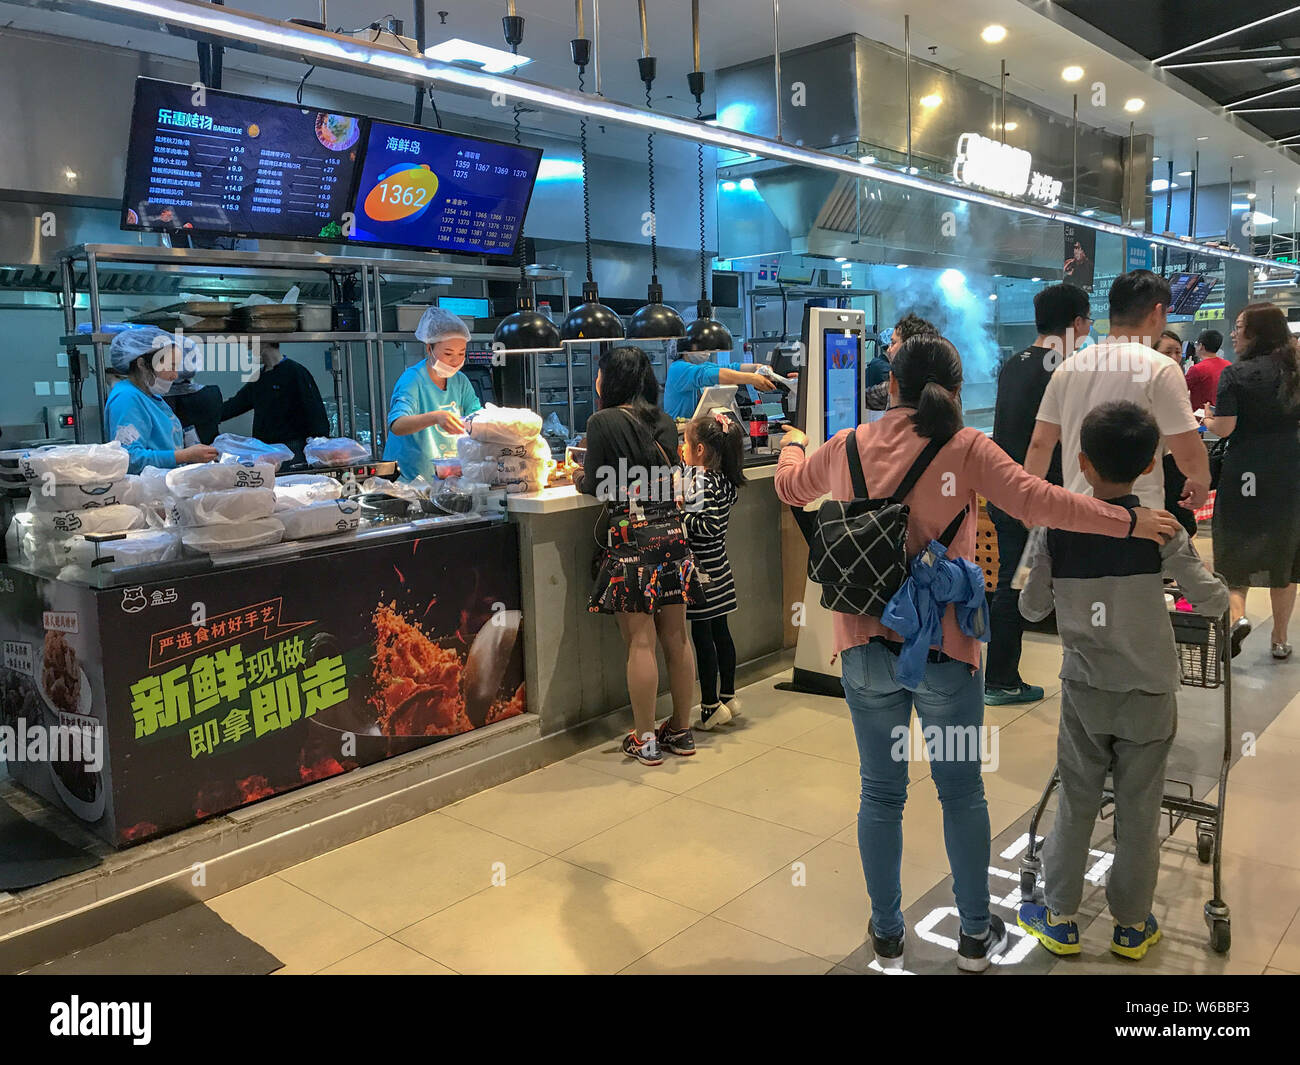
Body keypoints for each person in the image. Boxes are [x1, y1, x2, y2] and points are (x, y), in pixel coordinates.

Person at [775, 334, 1179, 972]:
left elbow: (790, 490)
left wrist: (793, 444)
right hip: (945, 651)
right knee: (960, 791)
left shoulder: (847, 444)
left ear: (892, 387)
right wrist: (1127, 521)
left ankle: (885, 933)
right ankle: (970, 936)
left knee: (880, 792)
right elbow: (1040, 502)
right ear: (955, 391)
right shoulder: (964, 449)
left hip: (863, 647)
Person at [1016, 401, 1228, 961]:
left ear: (1082, 463)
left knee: (1077, 798)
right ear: (1150, 466)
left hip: (1087, 689)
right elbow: (1211, 601)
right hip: (1151, 690)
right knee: (1139, 807)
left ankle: (1060, 918)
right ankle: (1131, 927)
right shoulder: (1162, 531)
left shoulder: (1057, 529)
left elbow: (1032, 609)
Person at [576, 346, 698, 765]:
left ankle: (645, 738)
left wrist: (578, 475)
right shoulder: (664, 421)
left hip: (632, 540)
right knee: (678, 638)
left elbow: (595, 484)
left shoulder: (601, 421)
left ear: (610, 380)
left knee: (640, 641)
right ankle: (681, 732)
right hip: (672, 536)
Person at [1024, 270, 1209, 519]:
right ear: (1157, 312)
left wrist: (1028, 503)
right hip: (1138, 519)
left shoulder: (1068, 367)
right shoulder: (1160, 367)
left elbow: (1040, 443)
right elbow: (1185, 447)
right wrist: (1199, 479)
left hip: (1077, 516)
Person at [985, 283, 1091, 706]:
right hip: (1041, 500)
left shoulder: (1014, 364)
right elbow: (1053, 442)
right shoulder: (1064, 368)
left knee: (1012, 582)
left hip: (1004, 492)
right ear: (1078, 322)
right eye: (1086, 323)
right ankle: (1004, 680)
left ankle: (999, 676)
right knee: (1048, 586)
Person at [1204, 303, 1300, 659]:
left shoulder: (1237, 374)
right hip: (1290, 469)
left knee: (1235, 543)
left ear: (1257, 332)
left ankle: (1237, 618)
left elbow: (1225, 428)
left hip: (1245, 470)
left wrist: (1207, 420)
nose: (1234, 332)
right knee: (1286, 552)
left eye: (1240, 325)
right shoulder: (1296, 371)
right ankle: (1279, 638)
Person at [681, 410, 746, 730]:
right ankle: (728, 695)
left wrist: (680, 516)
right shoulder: (722, 478)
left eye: (686, 443)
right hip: (720, 567)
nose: (683, 449)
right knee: (721, 633)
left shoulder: (702, 481)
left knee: (702, 637)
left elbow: (707, 523)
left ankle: (709, 706)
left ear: (701, 450)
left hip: (701, 573)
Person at [382, 306, 483, 482]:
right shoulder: (412, 380)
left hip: (448, 479)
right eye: (448, 353)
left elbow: (478, 417)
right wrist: (436, 417)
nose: (456, 360)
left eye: (462, 353)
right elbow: (397, 425)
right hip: (410, 481)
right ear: (429, 349)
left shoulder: (460, 381)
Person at [104, 327, 219, 474]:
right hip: (146, 490)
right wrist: (184, 456)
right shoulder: (126, 399)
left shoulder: (150, 395)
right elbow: (128, 458)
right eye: (170, 367)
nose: (175, 376)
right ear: (142, 364)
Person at [219, 341, 329, 464]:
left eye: (250, 344)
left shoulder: (295, 372)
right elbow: (234, 405)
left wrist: (320, 450)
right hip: (265, 453)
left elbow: (315, 413)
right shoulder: (259, 378)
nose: (248, 349)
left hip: (292, 452)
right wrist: (205, 414)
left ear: (264, 343)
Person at [1151, 329, 1199, 539]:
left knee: (1182, 525)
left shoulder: (1179, 380)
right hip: (1151, 463)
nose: (1174, 357)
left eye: (1178, 352)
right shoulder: (1145, 381)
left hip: (1173, 460)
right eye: (1168, 351)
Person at [662, 346, 777, 419]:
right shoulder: (678, 368)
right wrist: (752, 379)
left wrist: (758, 367)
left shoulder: (701, 365)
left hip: (696, 432)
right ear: (685, 346)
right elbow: (716, 375)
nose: (706, 351)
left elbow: (731, 368)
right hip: (679, 434)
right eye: (701, 344)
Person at [865, 312, 938, 411]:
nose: (889, 349)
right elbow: (864, 398)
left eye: (893, 343)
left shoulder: (898, 387)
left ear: (909, 347)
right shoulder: (944, 386)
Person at [1185, 329, 1229, 413]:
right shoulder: (1228, 365)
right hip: (1222, 416)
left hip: (1201, 419)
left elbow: (1179, 391)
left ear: (1201, 346)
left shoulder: (1197, 369)